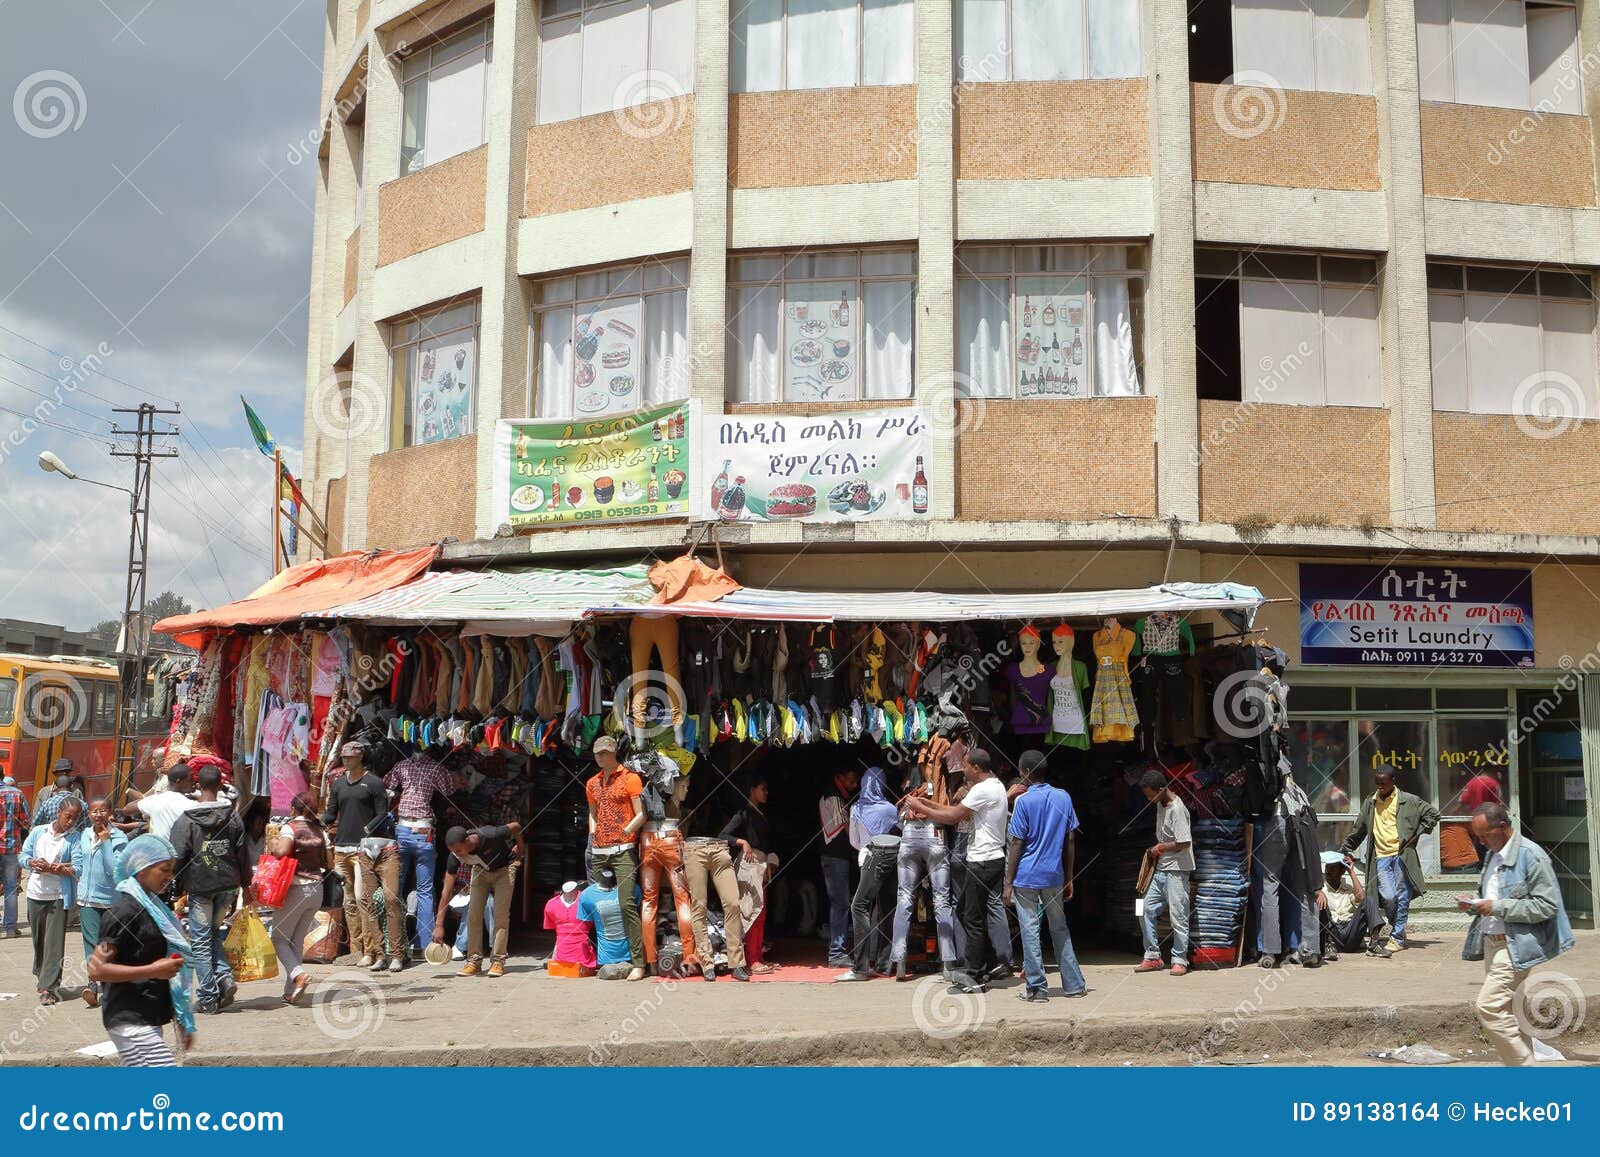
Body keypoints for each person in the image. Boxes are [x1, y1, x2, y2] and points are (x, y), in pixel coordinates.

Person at [1459, 802, 1576, 1066]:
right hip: (1492, 943)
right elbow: (1494, 897)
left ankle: (1525, 1068)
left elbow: (1546, 905)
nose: (1481, 842)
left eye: (1485, 836)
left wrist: (1498, 907)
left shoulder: (1531, 855)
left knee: (1489, 1007)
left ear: (1503, 827)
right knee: (1512, 1011)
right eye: (1478, 837)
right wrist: (1474, 904)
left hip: (1514, 946)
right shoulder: (1493, 854)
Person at [904, 748, 1008, 995]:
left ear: (976, 768)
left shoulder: (982, 790)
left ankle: (974, 976)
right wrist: (925, 802)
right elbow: (956, 809)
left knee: (971, 918)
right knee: (966, 911)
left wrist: (919, 806)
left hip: (982, 860)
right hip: (992, 859)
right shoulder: (996, 785)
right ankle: (989, 962)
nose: (963, 771)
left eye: (966, 766)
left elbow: (953, 817)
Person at [87, 834, 196, 1067]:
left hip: (146, 1016)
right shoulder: (124, 912)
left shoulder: (154, 908)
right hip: (129, 1019)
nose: (170, 876)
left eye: (171, 870)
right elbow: (96, 969)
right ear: (142, 868)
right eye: (164, 869)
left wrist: (180, 1018)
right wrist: (152, 970)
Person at [1003, 750, 1087, 1001]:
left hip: (1026, 875)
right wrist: (1069, 876)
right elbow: (1070, 839)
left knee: (1029, 929)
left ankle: (1037, 988)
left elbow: (1017, 842)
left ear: (1026, 772)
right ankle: (1074, 985)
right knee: (1059, 927)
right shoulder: (1063, 797)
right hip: (1054, 875)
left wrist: (1008, 882)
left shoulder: (1024, 801)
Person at [170, 765, 250, 1013]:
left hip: (200, 887)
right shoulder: (233, 817)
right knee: (213, 934)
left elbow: (177, 855)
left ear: (198, 785)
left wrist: (174, 884)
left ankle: (207, 996)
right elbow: (243, 854)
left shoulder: (187, 819)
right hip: (228, 886)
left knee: (200, 942)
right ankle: (224, 978)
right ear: (219, 786)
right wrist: (246, 884)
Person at [323, 741, 403, 972]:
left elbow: (382, 813)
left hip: (364, 850)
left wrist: (367, 830)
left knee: (363, 900)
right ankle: (358, 950)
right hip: (341, 849)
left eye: (349, 757)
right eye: (343, 757)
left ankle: (372, 951)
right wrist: (318, 821)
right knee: (348, 902)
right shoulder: (338, 783)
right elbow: (331, 812)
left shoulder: (374, 783)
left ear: (360, 758)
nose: (345, 760)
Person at [1341, 765, 1440, 951]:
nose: (1380, 787)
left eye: (1384, 783)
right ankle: (1399, 929)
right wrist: (1345, 850)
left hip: (1402, 856)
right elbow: (1359, 830)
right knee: (1388, 897)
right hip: (1381, 857)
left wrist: (1416, 835)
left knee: (1402, 896)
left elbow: (1433, 814)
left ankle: (1397, 938)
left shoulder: (1409, 800)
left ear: (1393, 781)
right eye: (1377, 783)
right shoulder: (1370, 803)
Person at [385, 742, 462, 960]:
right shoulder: (437, 768)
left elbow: (387, 786)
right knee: (425, 890)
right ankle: (423, 944)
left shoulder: (402, 766)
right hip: (424, 831)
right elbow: (449, 789)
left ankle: (394, 943)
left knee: (396, 888)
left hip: (403, 829)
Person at [585, 736, 646, 981]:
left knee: (626, 903)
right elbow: (593, 814)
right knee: (595, 901)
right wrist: (593, 836)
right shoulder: (592, 783)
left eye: (604, 752)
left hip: (623, 849)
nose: (600, 757)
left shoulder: (630, 778)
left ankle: (638, 962)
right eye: (597, 753)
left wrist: (625, 832)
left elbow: (641, 814)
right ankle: (596, 957)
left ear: (614, 752)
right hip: (599, 850)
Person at [834, 765, 901, 983]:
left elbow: (854, 841)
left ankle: (860, 967)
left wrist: (866, 844)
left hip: (869, 857)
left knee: (860, 906)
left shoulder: (857, 808)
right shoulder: (891, 809)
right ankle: (884, 964)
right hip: (893, 857)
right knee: (887, 909)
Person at [434, 820, 525, 978]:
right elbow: (446, 890)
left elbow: (516, 826)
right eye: (453, 851)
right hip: (480, 870)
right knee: (473, 914)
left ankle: (498, 961)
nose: (457, 854)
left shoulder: (491, 834)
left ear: (467, 840)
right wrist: (439, 925)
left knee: (500, 915)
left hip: (504, 869)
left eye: (459, 850)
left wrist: (521, 848)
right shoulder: (455, 855)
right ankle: (474, 962)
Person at [267, 791, 331, 1005]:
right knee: (295, 941)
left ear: (294, 809)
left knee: (278, 939)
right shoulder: (320, 830)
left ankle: (298, 974)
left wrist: (274, 843)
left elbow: (282, 852)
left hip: (296, 889)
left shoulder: (290, 828)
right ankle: (291, 990)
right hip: (317, 890)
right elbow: (330, 863)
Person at [1134, 769, 1194, 977]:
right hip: (1160, 869)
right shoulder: (1161, 804)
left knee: (1178, 915)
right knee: (1142, 908)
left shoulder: (1177, 809)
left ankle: (1180, 959)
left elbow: (1184, 842)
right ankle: (1152, 956)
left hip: (1176, 870)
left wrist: (1159, 848)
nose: (1149, 800)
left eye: (1151, 795)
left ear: (1161, 789)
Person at [720, 774, 781, 974]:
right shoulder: (744, 813)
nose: (766, 793)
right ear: (752, 790)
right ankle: (752, 960)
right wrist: (743, 842)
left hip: (761, 864)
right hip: (749, 865)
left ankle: (758, 956)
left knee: (760, 912)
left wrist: (771, 859)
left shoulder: (761, 813)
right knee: (751, 912)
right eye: (762, 788)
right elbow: (723, 835)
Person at [22, 796, 82, 1004]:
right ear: (58, 813)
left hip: (58, 896)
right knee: (39, 942)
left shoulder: (74, 838)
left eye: (75, 818)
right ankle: (42, 977)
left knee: (54, 944)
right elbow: (23, 855)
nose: (71, 822)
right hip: (35, 894)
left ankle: (49, 988)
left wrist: (56, 869)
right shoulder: (39, 832)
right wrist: (31, 862)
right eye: (68, 816)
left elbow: (78, 867)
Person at [72, 798, 128, 1008]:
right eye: (94, 811)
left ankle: (110, 985)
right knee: (91, 942)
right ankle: (93, 983)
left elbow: (115, 871)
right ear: (88, 814)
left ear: (110, 813)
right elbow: (80, 862)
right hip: (87, 899)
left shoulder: (119, 837)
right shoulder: (85, 834)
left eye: (102, 811)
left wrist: (105, 843)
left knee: (108, 944)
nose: (98, 815)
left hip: (111, 901)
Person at [818, 766, 860, 968]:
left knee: (840, 903)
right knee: (840, 904)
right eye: (851, 780)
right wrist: (862, 845)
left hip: (835, 857)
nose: (855, 785)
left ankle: (837, 951)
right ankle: (836, 953)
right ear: (840, 777)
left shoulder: (835, 795)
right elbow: (846, 826)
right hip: (835, 857)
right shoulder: (834, 796)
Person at [1317, 852, 1391, 959]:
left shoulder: (1348, 889)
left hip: (1350, 934)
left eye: (1333, 868)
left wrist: (1351, 872)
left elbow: (1361, 898)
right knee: (1320, 903)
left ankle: (1374, 944)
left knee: (1369, 900)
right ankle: (1327, 947)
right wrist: (1319, 894)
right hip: (1332, 935)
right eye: (1327, 867)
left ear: (1342, 871)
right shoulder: (1321, 890)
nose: (1328, 871)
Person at [135, 761, 200, 841]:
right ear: (178, 781)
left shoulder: (155, 800)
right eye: (190, 779)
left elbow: (128, 809)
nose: (194, 782)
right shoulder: (193, 804)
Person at [0, 773, 28, 938]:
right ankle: (10, 928)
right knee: (11, 887)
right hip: (11, 848)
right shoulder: (17, 793)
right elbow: (25, 821)